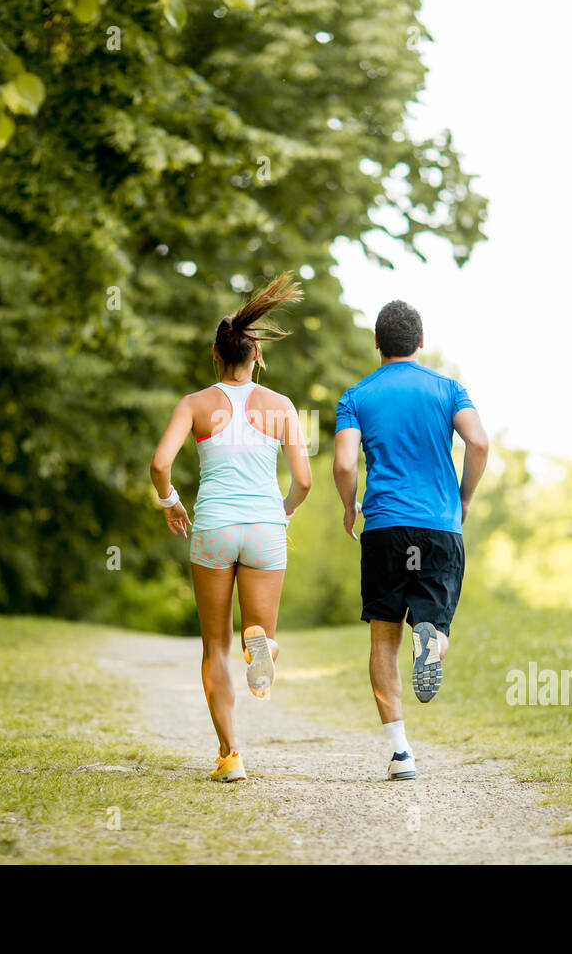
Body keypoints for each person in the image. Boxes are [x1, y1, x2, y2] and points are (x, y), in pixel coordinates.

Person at [150, 273, 312, 783]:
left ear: (216, 356)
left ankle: (231, 756)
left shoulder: (195, 404)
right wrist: (279, 513)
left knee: (214, 648)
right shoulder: (281, 407)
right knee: (255, 634)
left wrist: (171, 502)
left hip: (215, 526)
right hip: (264, 527)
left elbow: (159, 463)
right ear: (256, 357)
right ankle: (262, 643)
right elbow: (304, 481)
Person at [333, 300, 488, 780]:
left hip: (385, 528)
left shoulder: (356, 396)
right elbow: (479, 442)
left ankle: (401, 753)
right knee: (435, 626)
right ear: (421, 343)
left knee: (383, 639)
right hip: (439, 525)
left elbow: (343, 464)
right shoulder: (449, 389)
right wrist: (463, 498)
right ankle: (433, 641)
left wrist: (349, 504)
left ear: (377, 343)